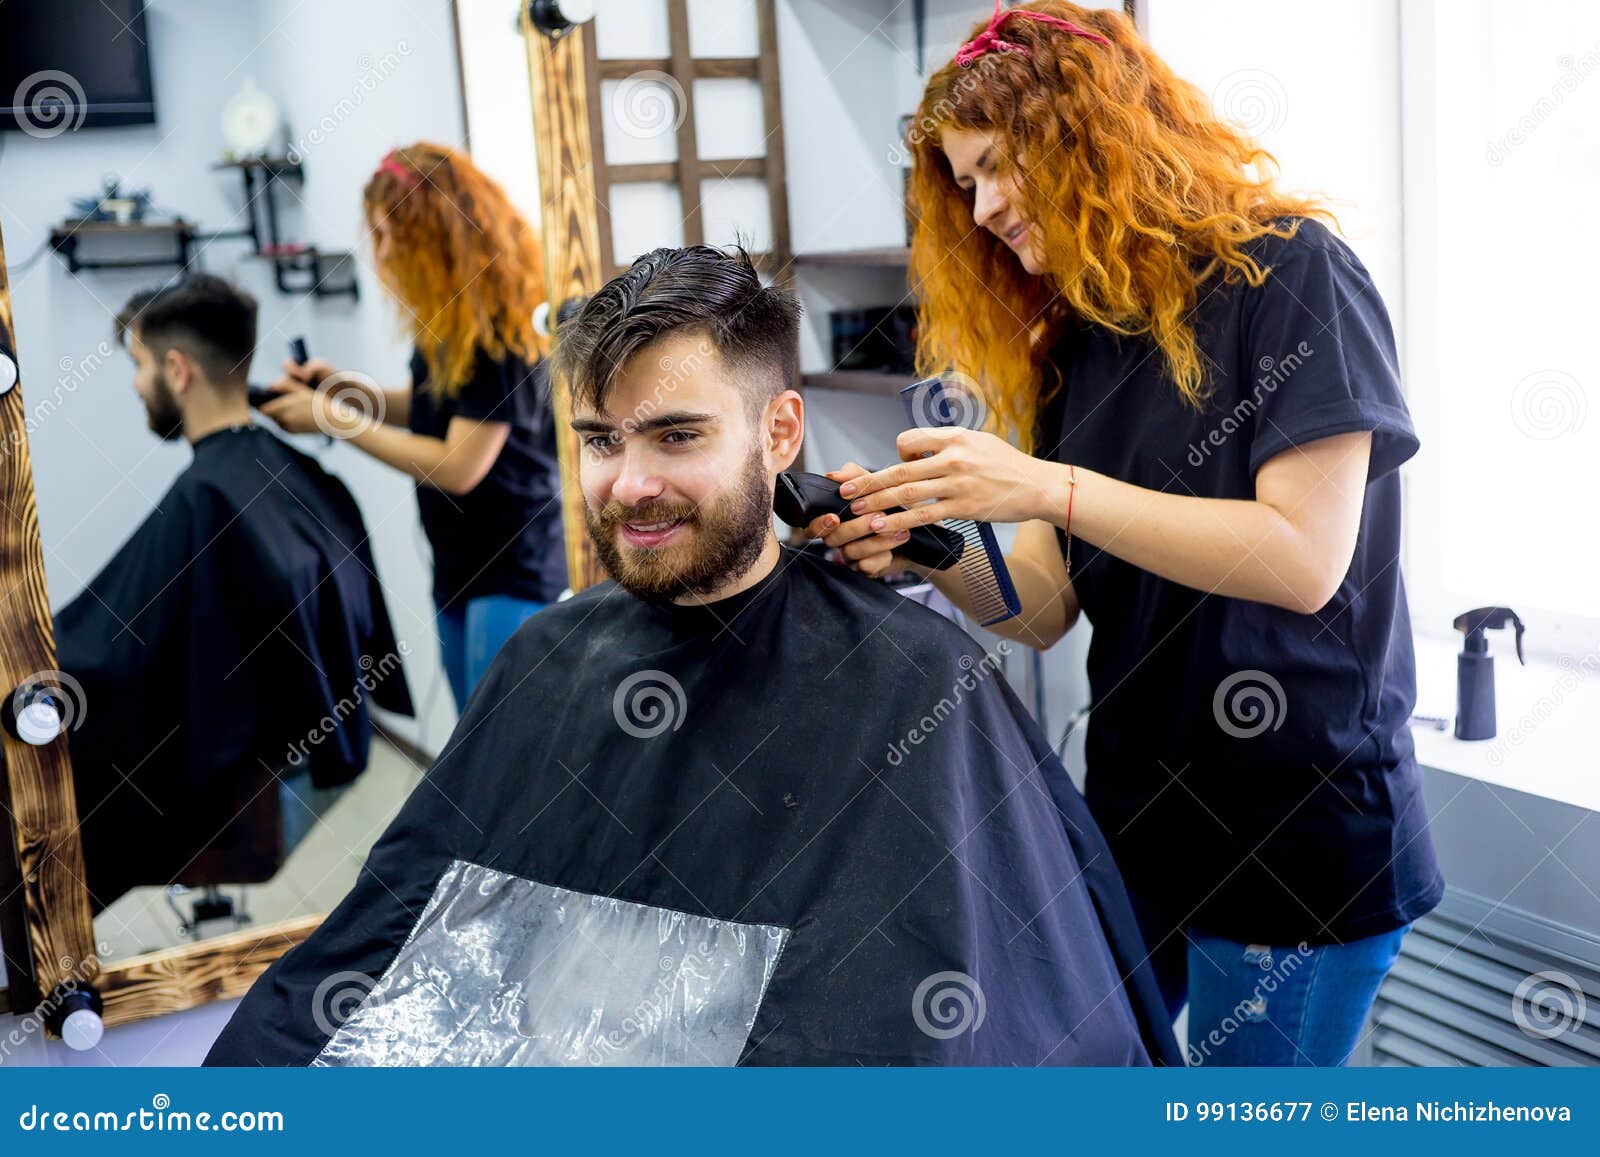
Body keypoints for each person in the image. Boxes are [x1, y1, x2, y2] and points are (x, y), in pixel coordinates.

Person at [203, 246, 1180, 1068]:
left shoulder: (914, 680)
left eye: (676, 436)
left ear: (779, 431)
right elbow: (404, 939)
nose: (630, 484)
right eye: (598, 439)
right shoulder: (549, 655)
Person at [810, 1, 1443, 1067]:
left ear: (1094, 133)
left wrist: (1049, 485)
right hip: (1139, 821)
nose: (984, 208)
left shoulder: (1289, 276)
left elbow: (1300, 558)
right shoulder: (1084, 335)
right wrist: (925, 539)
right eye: (964, 184)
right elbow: (1048, 606)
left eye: (1001, 166)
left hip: (1296, 833)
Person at [55, 275, 413, 913]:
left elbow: (122, 655)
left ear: (177, 368)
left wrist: (42, 665)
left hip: (240, 780)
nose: (137, 385)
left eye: (138, 366)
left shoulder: (208, 496)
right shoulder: (301, 474)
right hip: (300, 762)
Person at [260, 142, 566, 712]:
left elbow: (459, 465)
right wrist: (347, 392)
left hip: (513, 568)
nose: (380, 251)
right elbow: (438, 411)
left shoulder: (497, 332)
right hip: (458, 565)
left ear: (428, 237)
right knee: (471, 740)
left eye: (385, 233)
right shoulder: (450, 320)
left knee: (501, 747)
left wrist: (335, 420)